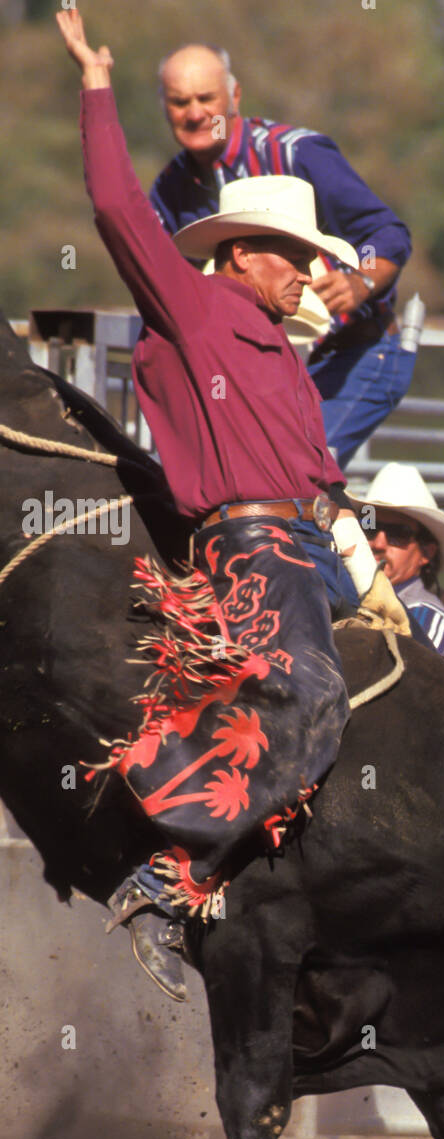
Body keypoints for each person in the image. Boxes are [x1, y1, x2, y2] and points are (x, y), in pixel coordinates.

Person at [57, 11, 396, 1003]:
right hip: (245, 553)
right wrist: (93, 84)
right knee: (314, 696)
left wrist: (373, 581)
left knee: (385, 686)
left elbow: (321, 477)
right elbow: (119, 206)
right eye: (290, 254)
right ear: (241, 251)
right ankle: (165, 878)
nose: (305, 271)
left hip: (301, 542)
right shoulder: (189, 304)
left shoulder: (283, 357)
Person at [149, 41, 413, 468]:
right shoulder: (169, 190)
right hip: (255, 367)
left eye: (205, 98)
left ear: (234, 97)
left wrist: (358, 281)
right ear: (165, 107)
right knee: (219, 470)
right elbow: (165, 287)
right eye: (180, 102)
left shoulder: (297, 152)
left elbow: (386, 232)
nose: (194, 113)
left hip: (357, 351)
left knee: (298, 469)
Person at [360, 463, 444, 662]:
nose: (379, 543)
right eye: (369, 527)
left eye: (398, 534)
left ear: (426, 553)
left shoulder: (426, 621)